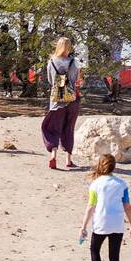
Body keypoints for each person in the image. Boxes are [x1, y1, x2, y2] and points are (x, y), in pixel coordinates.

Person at [79, 154, 131, 261]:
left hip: (101, 223)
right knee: (114, 258)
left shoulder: (95, 184)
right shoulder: (122, 184)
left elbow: (90, 206)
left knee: (94, 250)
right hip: (117, 224)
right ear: (114, 166)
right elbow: (127, 206)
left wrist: (83, 226)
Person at [41, 37, 82, 169]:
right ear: (69, 47)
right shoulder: (74, 62)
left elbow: (50, 80)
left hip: (56, 101)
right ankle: (68, 160)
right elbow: (76, 79)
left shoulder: (51, 62)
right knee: (69, 128)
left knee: (51, 128)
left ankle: (53, 155)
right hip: (72, 99)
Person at [0, 24, 18, 97]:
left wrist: (1, 53)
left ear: (2, 30)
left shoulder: (0, 39)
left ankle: (7, 91)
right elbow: (15, 49)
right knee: (7, 75)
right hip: (10, 59)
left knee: (5, 75)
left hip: (3, 58)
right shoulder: (12, 39)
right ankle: (8, 91)